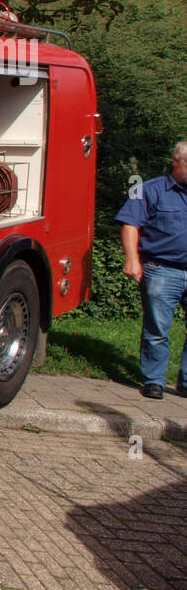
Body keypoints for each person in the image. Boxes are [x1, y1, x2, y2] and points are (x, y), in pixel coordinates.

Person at [117, 140, 187, 399]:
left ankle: (186, 383)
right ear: (176, 162)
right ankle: (154, 381)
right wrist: (132, 259)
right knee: (157, 329)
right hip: (161, 269)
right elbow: (129, 224)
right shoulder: (148, 189)